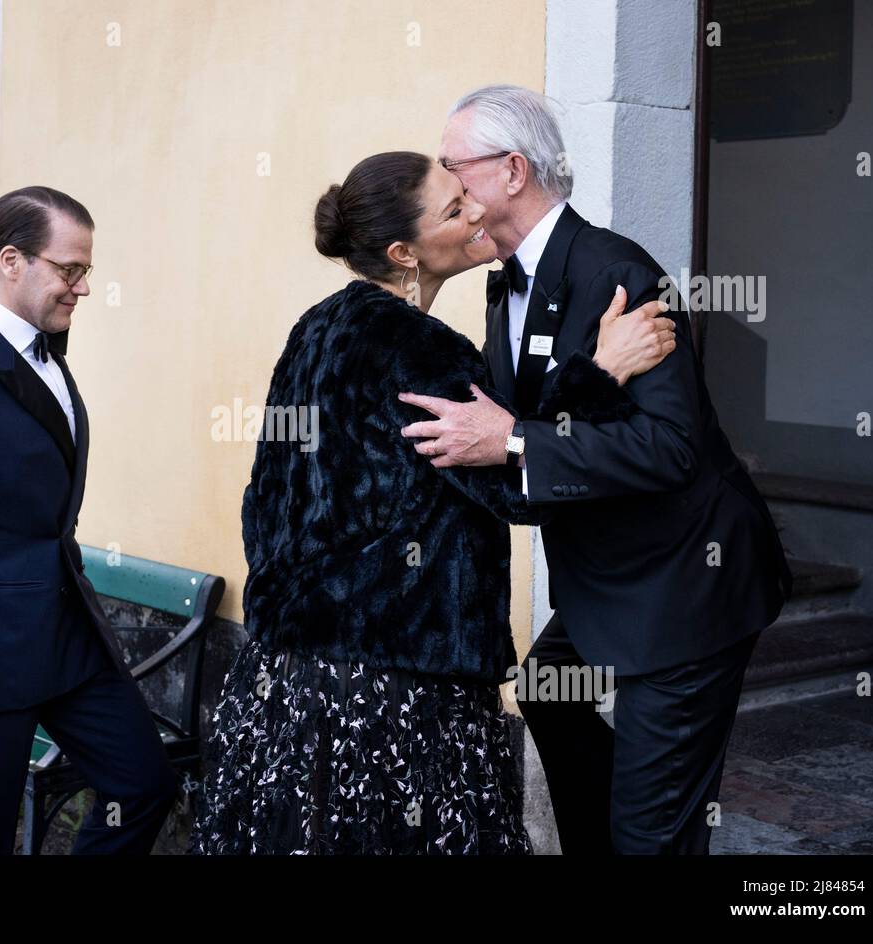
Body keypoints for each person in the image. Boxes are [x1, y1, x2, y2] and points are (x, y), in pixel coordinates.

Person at [192, 151, 675, 854]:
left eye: (465, 193)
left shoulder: (319, 326)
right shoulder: (421, 348)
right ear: (403, 254)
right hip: (397, 692)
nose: (476, 211)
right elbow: (517, 487)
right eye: (454, 210)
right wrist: (602, 373)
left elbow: (263, 498)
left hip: (287, 682)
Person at [400, 85, 793, 854]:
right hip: (608, 575)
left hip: (686, 587)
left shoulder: (619, 272)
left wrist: (516, 442)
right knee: (549, 692)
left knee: (654, 834)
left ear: (513, 170)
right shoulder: (500, 278)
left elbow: (669, 447)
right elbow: (530, 422)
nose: (447, 184)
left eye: (455, 166)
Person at [0, 186, 179, 854]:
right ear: (11, 261)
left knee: (144, 783)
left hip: (68, 636)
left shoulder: (45, 344)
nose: (81, 288)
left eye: (86, 272)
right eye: (69, 270)